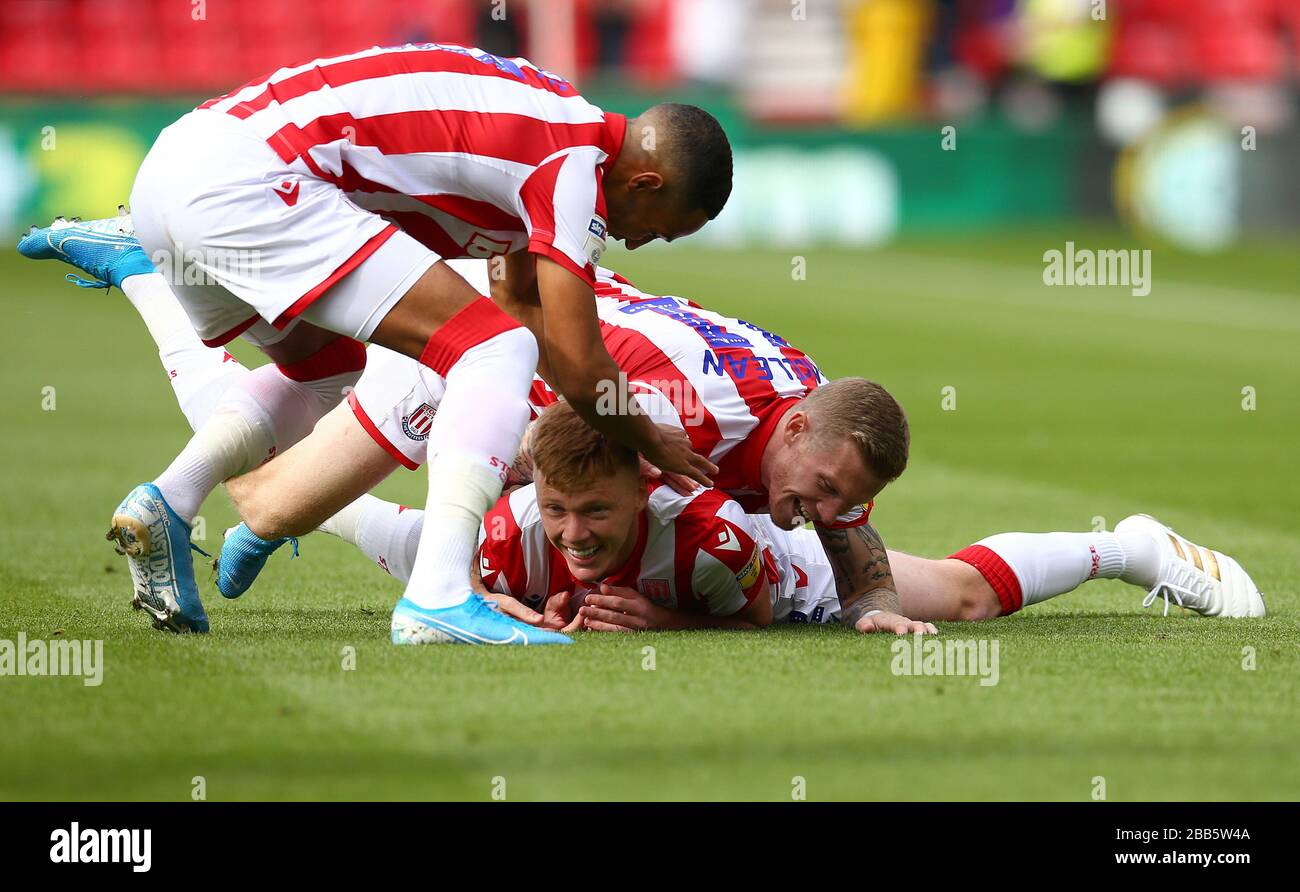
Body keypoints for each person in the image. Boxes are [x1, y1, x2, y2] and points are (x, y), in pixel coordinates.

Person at [17, 42, 731, 645]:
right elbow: (577, 360)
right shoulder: (573, 166)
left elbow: (517, 295)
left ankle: (167, 502)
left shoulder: (552, 121)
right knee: (495, 350)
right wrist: (649, 438)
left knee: (328, 378)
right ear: (645, 180)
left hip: (176, 170)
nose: (641, 241)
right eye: (657, 226)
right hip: (253, 183)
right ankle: (440, 595)